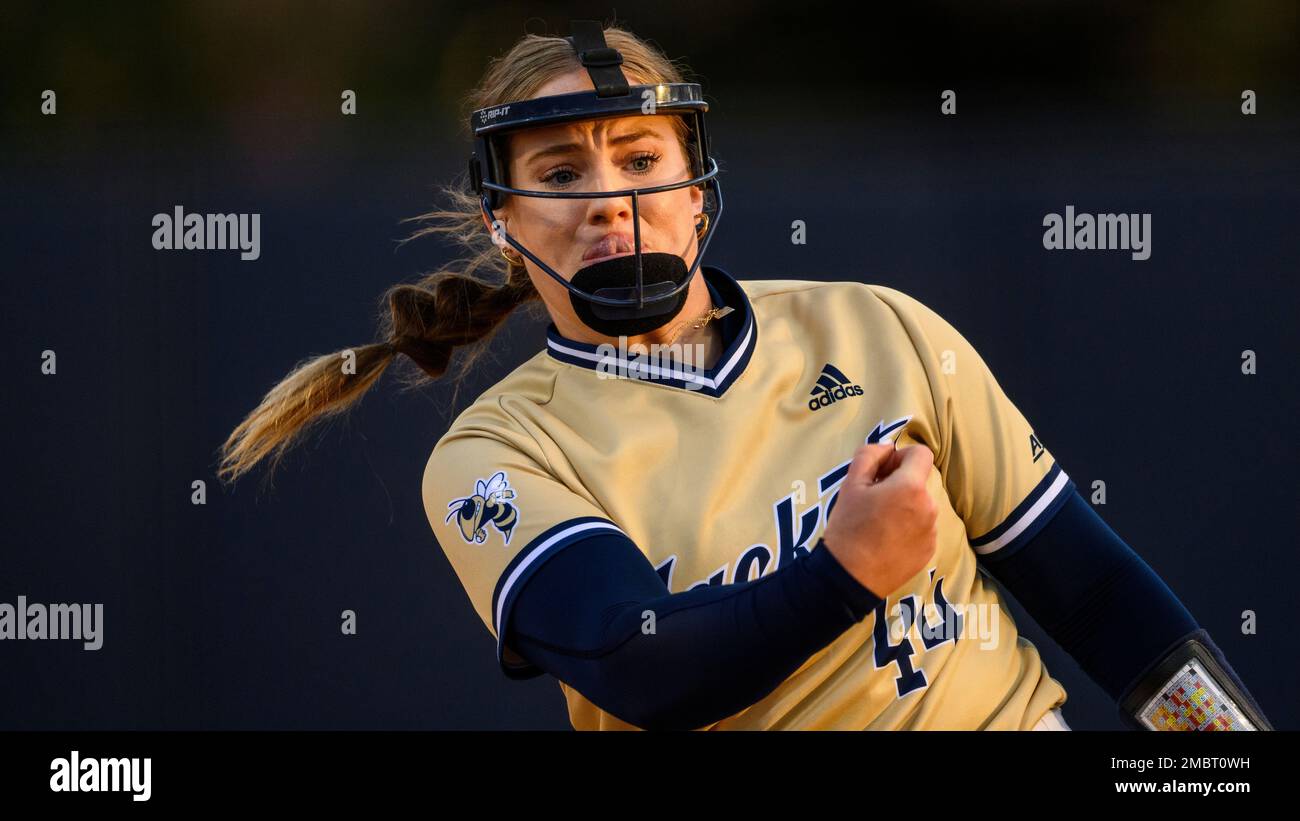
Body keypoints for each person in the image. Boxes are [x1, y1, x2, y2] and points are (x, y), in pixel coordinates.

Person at [219, 21, 1272, 732]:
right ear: (504, 221)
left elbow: (1096, 595)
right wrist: (843, 571)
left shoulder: (877, 327)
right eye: (558, 172)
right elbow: (642, 664)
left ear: (694, 190)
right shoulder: (497, 452)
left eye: (640, 158)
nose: (608, 198)